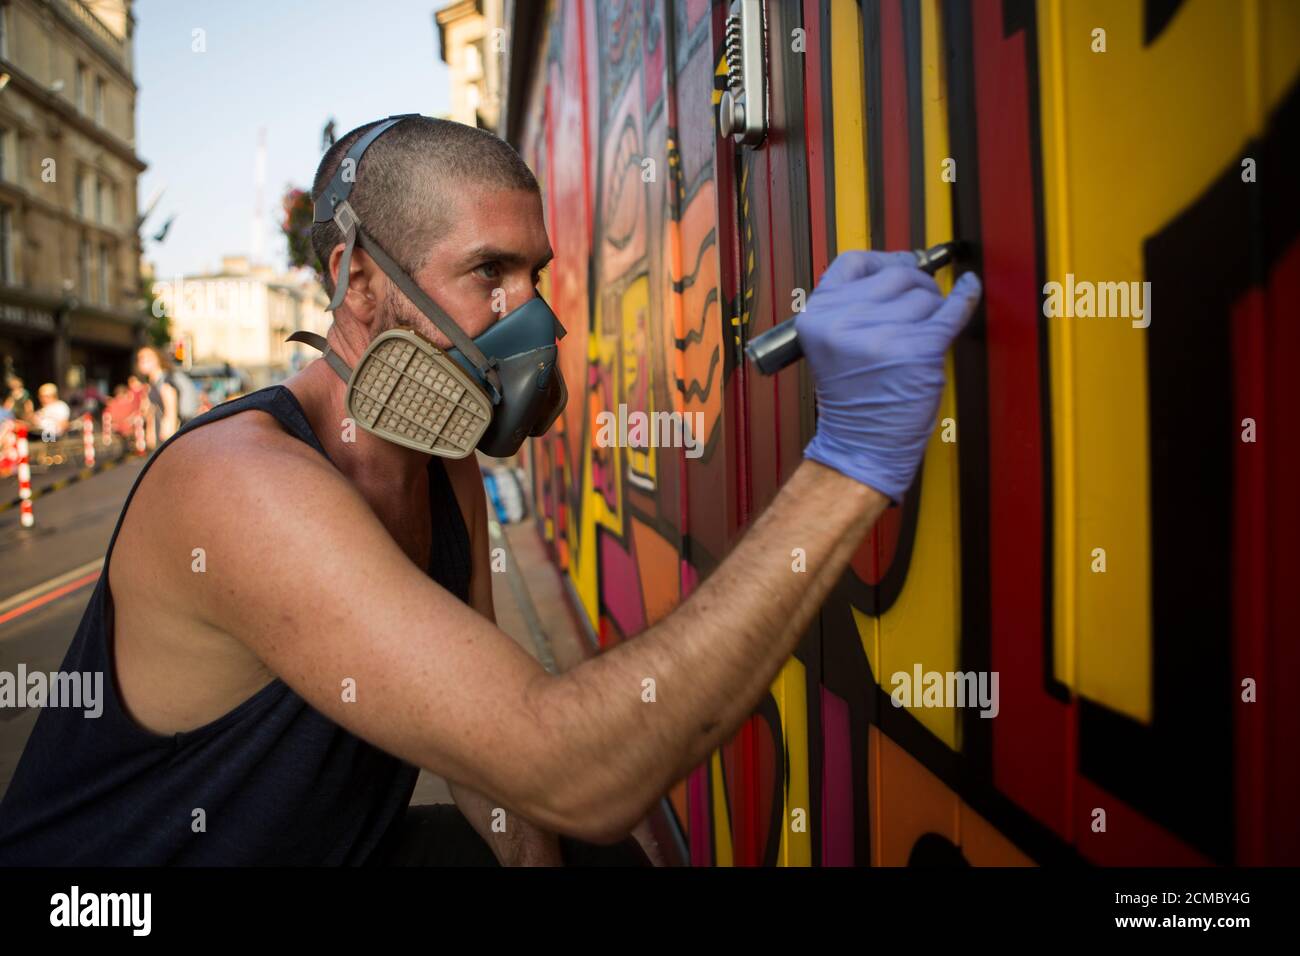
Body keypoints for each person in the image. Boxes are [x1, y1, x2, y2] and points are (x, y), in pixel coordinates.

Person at [0, 117, 981, 866]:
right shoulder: (239, 488)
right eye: (488, 273)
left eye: (534, 273)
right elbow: (570, 766)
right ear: (355, 280)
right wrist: (847, 461)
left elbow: (495, 775)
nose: (531, 319)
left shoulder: (443, 462)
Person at [136, 346, 179, 449]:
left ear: (158, 359)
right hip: (160, 434)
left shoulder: (164, 380)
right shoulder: (152, 382)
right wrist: (150, 432)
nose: (143, 361)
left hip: (168, 435)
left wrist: (170, 434)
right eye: (140, 358)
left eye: (147, 358)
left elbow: (171, 408)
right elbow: (152, 410)